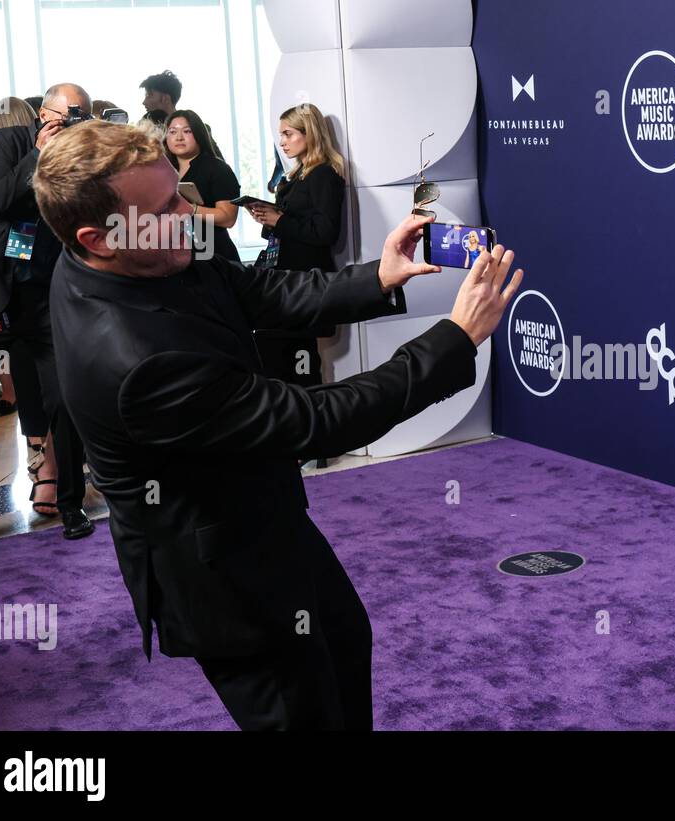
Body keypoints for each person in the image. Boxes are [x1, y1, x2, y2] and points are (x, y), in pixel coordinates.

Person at [37, 120, 523, 730]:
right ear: (96, 238)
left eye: (179, 195)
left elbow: (257, 290)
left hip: (266, 520)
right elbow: (316, 420)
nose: (190, 216)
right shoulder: (134, 362)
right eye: (165, 208)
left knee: (345, 644)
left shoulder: (150, 241)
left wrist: (376, 275)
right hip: (223, 578)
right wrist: (453, 340)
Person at [0, 83, 96, 536]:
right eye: (68, 113)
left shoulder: (82, 154)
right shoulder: (5, 141)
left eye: (81, 114)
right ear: (44, 112)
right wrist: (37, 155)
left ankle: (72, 504)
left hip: (46, 298)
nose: (73, 121)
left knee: (64, 402)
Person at [246, 103, 344, 389]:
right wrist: (268, 218)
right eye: (281, 135)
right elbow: (287, 227)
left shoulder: (324, 175)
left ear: (309, 134)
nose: (282, 141)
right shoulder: (295, 177)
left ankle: (308, 410)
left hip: (305, 282)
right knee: (277, 354)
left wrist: (279, 219)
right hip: (286, 279)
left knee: (300, 358)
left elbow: (326, 232)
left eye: (288, 134)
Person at [165, 109, 240, 262]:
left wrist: (190, 208)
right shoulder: (164, 170)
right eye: (172, 132)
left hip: (214, 253)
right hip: (178, 254)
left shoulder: (217, 168)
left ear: (199, 134)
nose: (179, 137)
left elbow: (228, 218)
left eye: (187, 131)